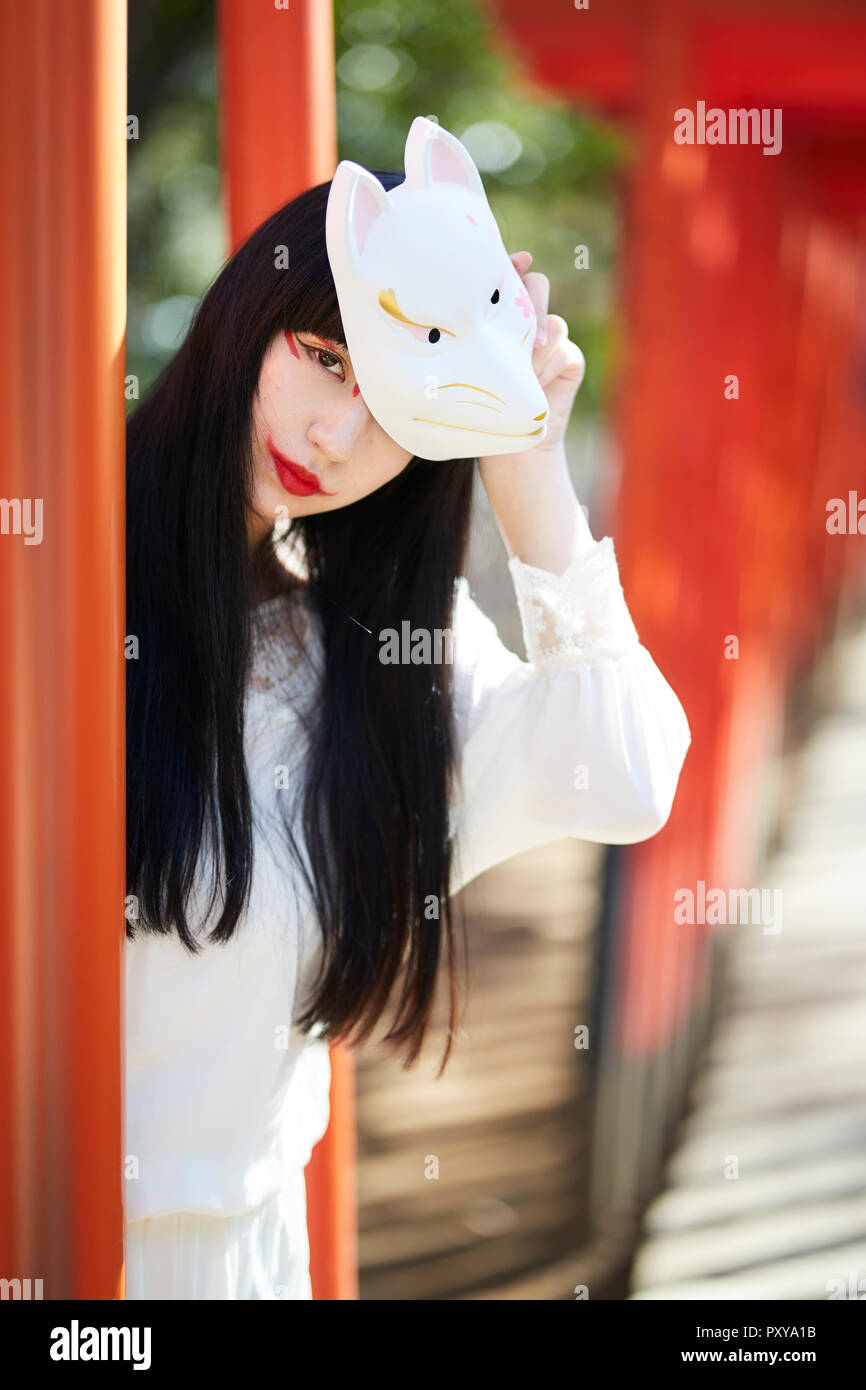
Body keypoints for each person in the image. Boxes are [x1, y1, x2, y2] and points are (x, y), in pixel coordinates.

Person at [123, 171, 692, 1299]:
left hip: (228, 1259)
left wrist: (525, 455)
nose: (335, 436)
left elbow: (623, 774)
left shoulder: (374, 659)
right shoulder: (42, 558)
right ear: (249, 313)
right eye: (324, 359)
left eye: (397, 413)